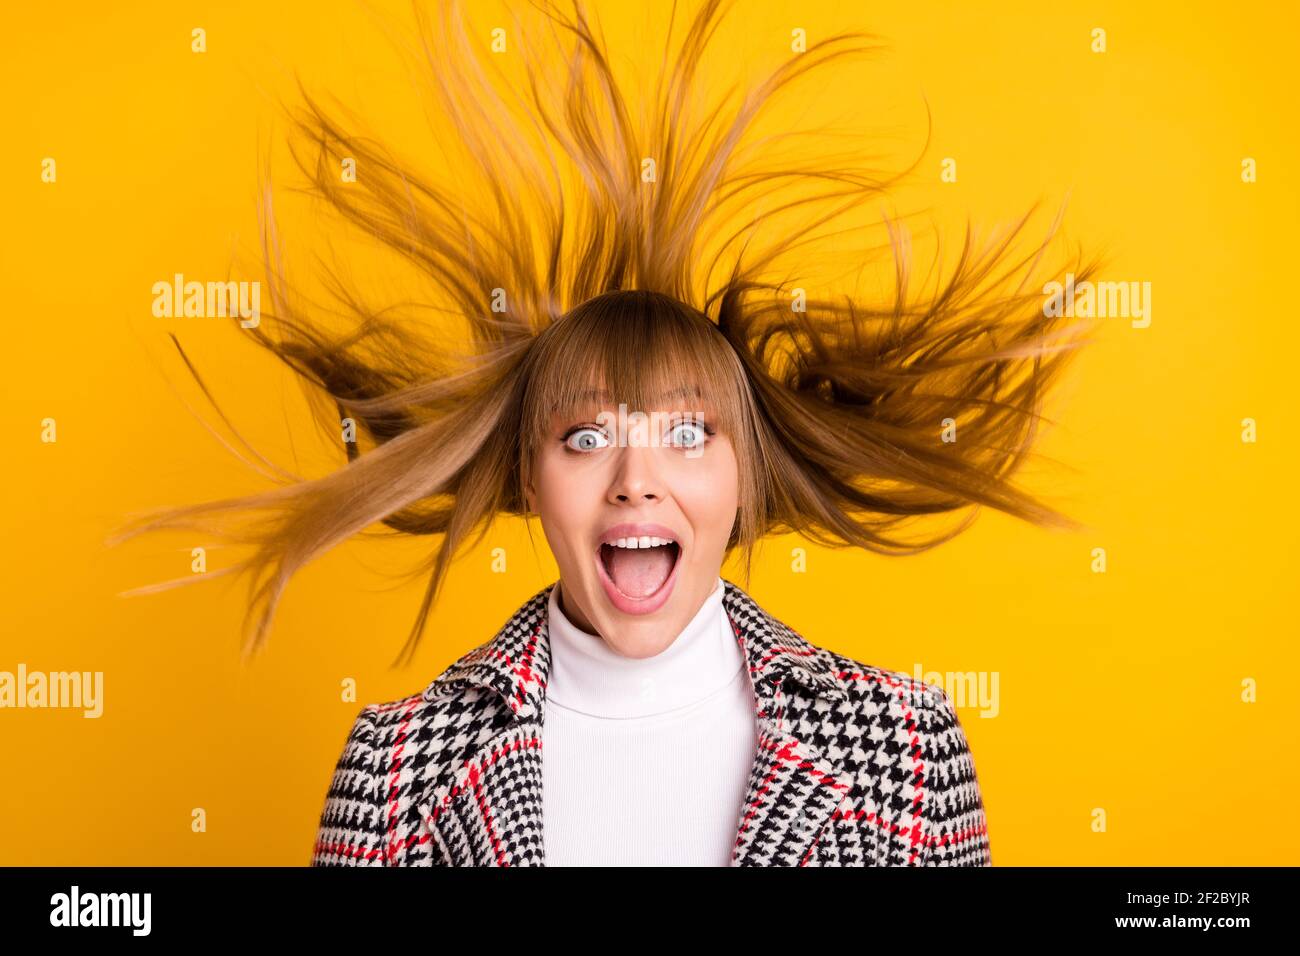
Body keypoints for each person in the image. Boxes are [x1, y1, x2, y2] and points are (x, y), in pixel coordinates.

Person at [110, 0, 1100, 866]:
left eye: (685, 434)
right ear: (528, 478)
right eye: (586, 438)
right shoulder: (396, 770)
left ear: (744, 477)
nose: (635, 480)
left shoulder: (904, 747)